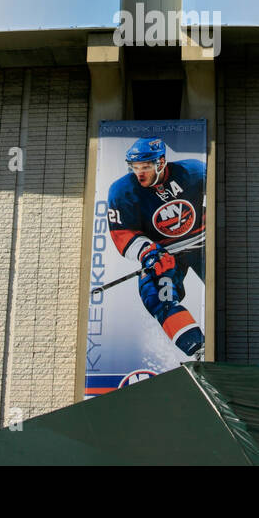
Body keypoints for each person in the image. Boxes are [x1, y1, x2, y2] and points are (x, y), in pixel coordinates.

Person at [105, 137, 206, 357]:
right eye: (135, 167)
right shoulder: (122, 191)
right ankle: (199, 350)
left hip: (204, 242)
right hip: (164, 253)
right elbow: (122, 232)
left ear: (161, 163)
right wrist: (147, 253)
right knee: (156, 295)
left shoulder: (196, 172)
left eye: (146, 166)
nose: (139, 173)